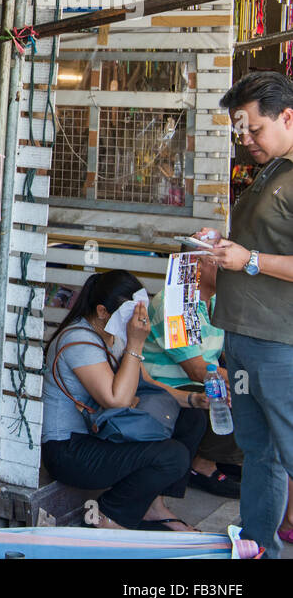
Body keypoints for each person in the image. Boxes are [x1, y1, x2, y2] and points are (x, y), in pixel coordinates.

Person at [196, 71, 293, 554]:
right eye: (240, 131)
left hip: (281, 346)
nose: (246, 139)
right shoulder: (271, 169)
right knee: (259, 452)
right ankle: (260, 547)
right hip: (242, 339)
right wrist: (224, 251)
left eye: (254, 129)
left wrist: (248, 261)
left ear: (287, 117)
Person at [41, 270, 207, 531]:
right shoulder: (78, 342)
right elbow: (117, 400)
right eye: (130, 314)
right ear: (102, 312)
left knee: (192, 418)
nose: (137, 321)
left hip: (102, 433)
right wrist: (136, 345)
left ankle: (153, 506)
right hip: (69, 450)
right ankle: (108, 515)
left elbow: (149, 385)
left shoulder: (113, 337)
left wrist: (193, 399)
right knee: (171, 456)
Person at [142, 249, 243, 498]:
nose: (229, 268)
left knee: (249, 388)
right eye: (220, 262)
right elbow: (198, 370)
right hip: (168, 387)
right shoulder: (176, 303)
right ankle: (202, 463)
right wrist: (251, 379)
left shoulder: (216, 301)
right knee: (245, 391)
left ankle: (222, 458)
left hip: (201, 380)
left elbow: (223, 354)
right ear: (198, 266)